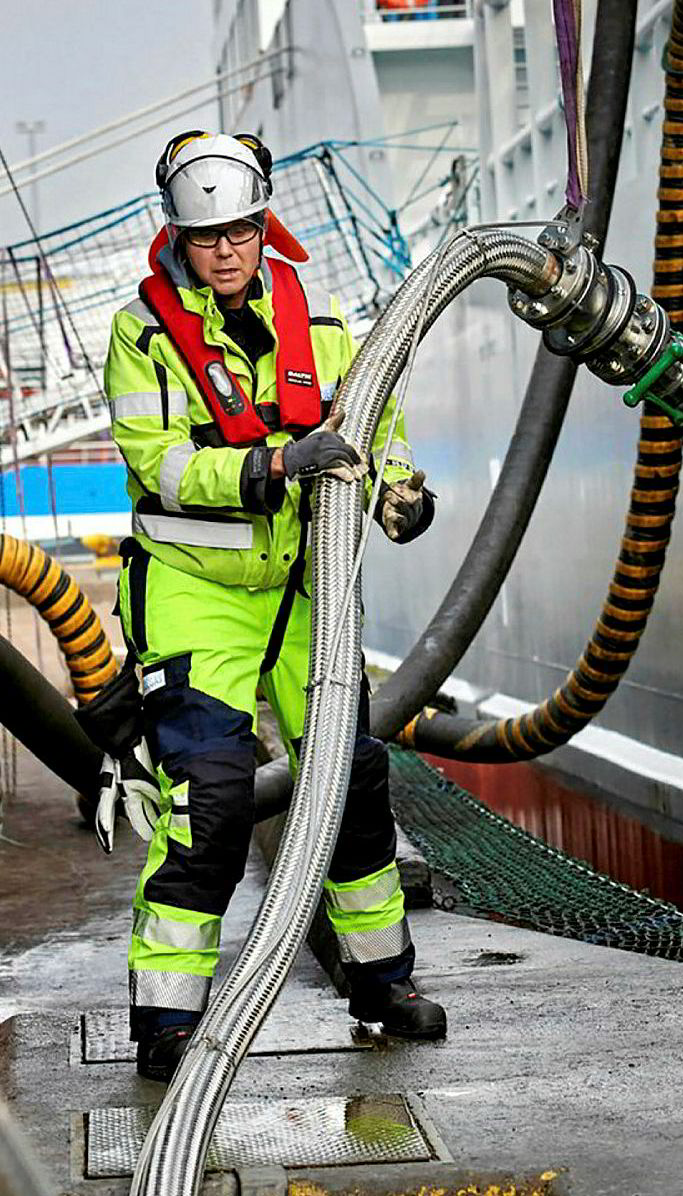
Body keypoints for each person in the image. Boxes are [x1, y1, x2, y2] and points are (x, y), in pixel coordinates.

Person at [103, 130, 442, 1082]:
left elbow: (373, 414)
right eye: (207, 236)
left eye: (242, 231)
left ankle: (382, 982)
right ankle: (168, 1018)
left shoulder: (320, 315)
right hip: (193, 591)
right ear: (179, 235)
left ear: (265, 226)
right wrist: (271, 464)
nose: (226, 250)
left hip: (303, 589)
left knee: (351, 780)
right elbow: (156, 461)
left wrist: (400, 488)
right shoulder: (142, 333)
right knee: (208, 799)